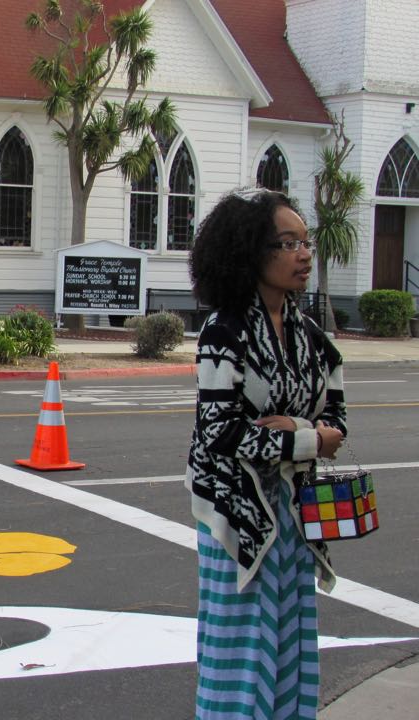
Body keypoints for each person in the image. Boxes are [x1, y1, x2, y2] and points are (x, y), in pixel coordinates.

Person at [186, 189, 346, 719]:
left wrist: (297, 430)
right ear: (252, 252)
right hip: (237, 517)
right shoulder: (223, 332)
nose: (304, 254)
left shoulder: (312, 338)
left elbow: (337, 422)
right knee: (239, 652)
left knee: (291, 647)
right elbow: (219, 432)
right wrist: (307, 439)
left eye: (306, 242)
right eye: (288, 243)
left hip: (295, 517)